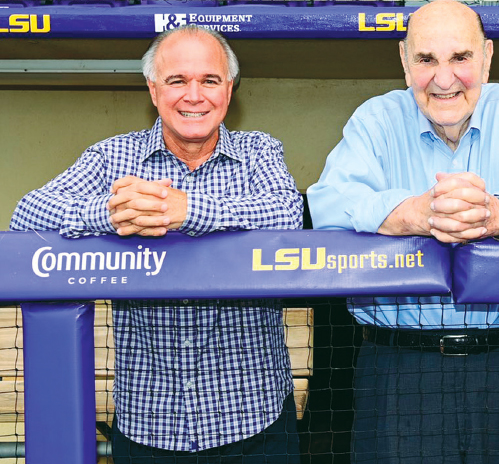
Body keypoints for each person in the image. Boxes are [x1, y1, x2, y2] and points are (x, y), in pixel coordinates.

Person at [307, 0, 499, 463]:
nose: (444, 78)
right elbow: (327, 205)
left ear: (487, 56)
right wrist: (414, 214)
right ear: (404, 62)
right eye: (426, 60)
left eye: (460, 57)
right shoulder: (375, 120)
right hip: (398, 372)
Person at [10, 24, 304, 464]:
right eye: (177, 80)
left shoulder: (260, 151)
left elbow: (288, 216)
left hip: (254, 422)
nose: (194, 95)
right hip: (149, 427)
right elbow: (26, 216)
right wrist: (109, 214)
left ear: (229, 89)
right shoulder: (111, 157)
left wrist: (186, 210)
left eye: (209, 80)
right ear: (153, 89)